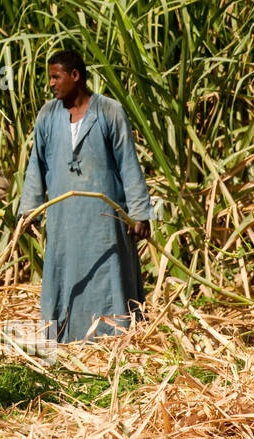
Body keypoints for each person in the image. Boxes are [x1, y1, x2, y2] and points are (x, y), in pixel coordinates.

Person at [17, 48, 154, 343]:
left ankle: (113, 339)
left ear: (75, 76)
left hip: (105, 222)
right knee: (65, 273)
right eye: (50, 77)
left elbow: (129, 163)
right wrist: (28, 210)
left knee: (109, 273)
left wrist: (140, 213)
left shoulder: (109, 111)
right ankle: (65, 339)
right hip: (63, 221)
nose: (51, 83)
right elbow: (36, 167)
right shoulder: (47, 116)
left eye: (56, 77)